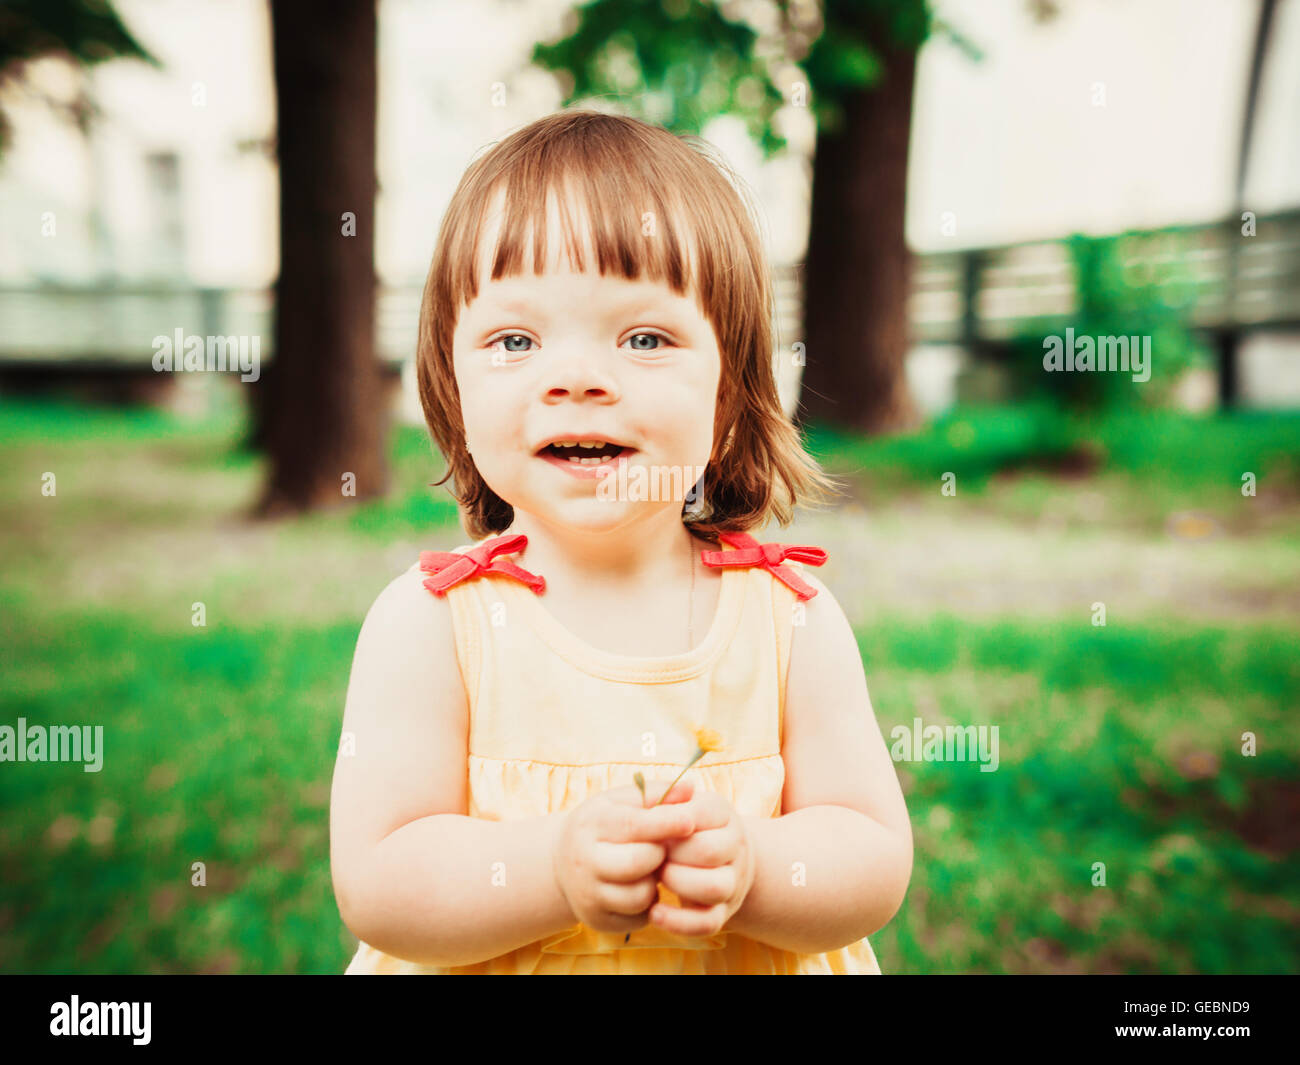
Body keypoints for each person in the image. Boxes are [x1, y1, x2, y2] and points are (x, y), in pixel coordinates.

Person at [330, 110, 912, 974]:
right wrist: (551, 867)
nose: (576, 377)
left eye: (644, 338)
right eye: (515, 339)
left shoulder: (790, 621)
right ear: (450, 387)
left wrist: (755, 868)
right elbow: (379, 883)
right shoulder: (429, 627)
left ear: (729, 397)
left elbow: (872, 858)